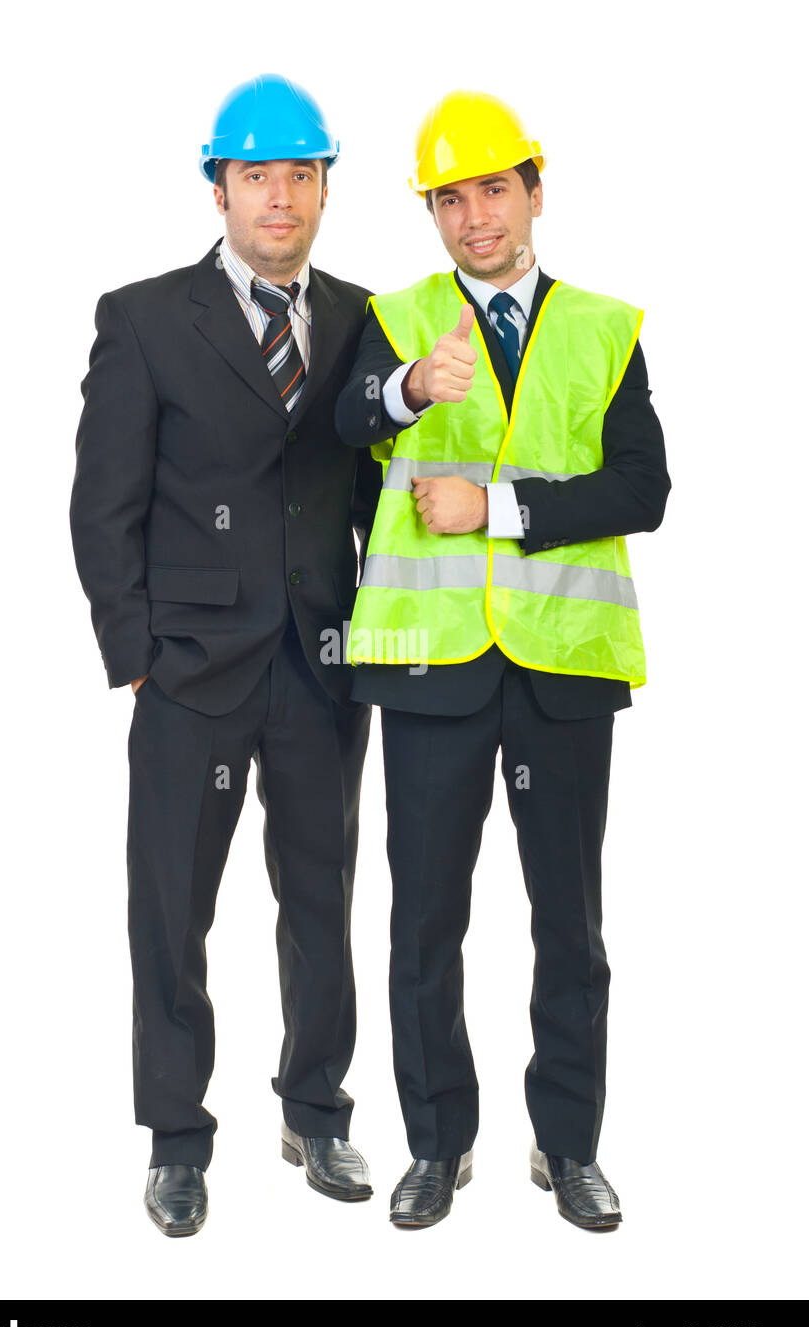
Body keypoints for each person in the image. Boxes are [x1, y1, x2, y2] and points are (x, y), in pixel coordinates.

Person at [335, 89, 670, 1231]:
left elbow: (644, 488)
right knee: (425, 919)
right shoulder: (399, 318)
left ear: (535, 186)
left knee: (569, 924)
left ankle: (568, 1147)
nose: (474, 219)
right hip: (432, 670)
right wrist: (404, 388)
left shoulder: (604, 328)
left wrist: (496, 506)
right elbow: (343, 422)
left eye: (492, 190)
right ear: (429, 211)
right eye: (450, 199)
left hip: (563, 671)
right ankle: (437, 1143)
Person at [71, 74, 378, 1237]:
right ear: (220, 187)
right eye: (259, 175)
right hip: (191, 668)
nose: (282, 195)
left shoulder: (357, 318)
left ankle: (317, 1108)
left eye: (301, 174)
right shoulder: (146, 316)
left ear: (324, 187)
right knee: (172, 907)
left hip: (321, 662)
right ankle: (178, 1139)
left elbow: (366, 484)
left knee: (320, 898)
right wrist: (135, 652)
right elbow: (103, 502)